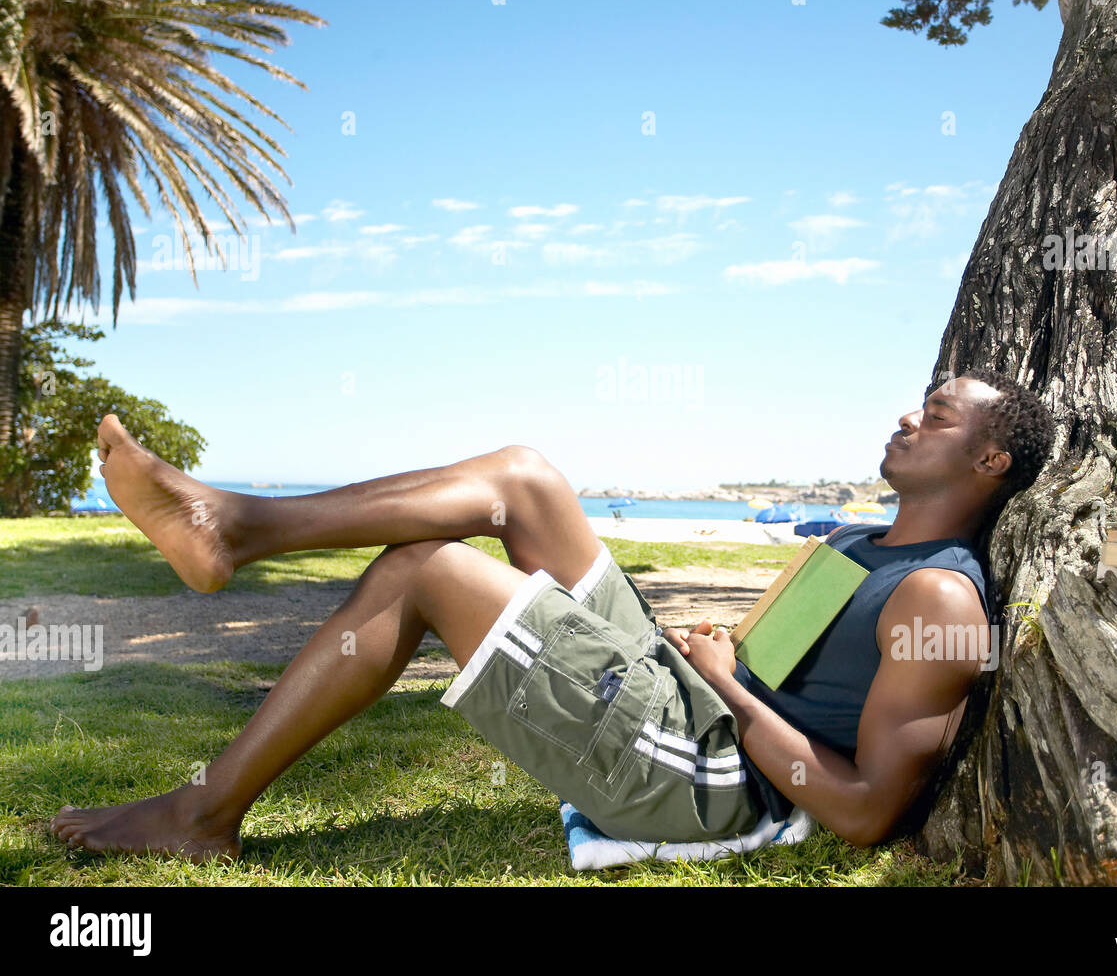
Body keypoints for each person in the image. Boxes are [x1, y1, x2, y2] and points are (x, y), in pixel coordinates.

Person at [49, 369, 1056, 861]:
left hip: (715, 777)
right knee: (524, 478)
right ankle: (237, 524)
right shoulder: (849, 546)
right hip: (693, 696)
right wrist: (709, 663)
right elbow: (761, 660)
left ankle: (202, 813)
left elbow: (866, 810)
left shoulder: (940, 597)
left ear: (989, 461)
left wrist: (721, 687)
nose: (905, 416)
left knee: (425, 573)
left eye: (936, 413)